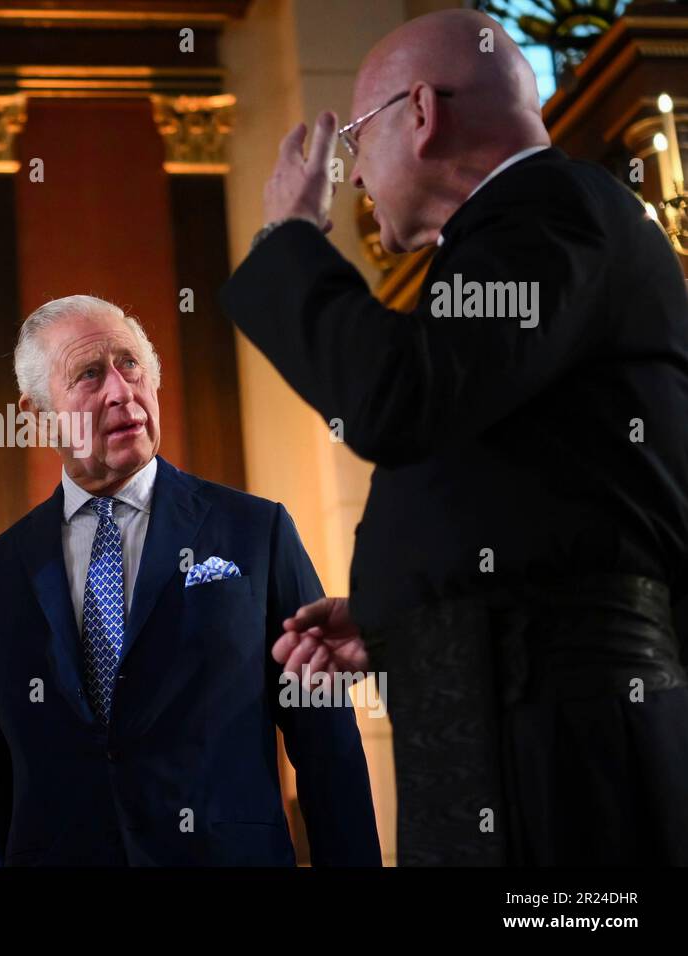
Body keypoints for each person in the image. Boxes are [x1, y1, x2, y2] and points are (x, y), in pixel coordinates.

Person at [220, 9, 688, 864]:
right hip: (511, 715)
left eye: (358, 138)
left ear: (424, 113)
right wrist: (401, 613)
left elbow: (399, 399)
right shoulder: (521, 234)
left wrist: (289, 238)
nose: (354, 173)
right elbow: (526, 487)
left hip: (562, 739)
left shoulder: (554, 208)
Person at [0, 295, 380, 866]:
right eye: (88, 374)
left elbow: (326, 742)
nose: (119, 390)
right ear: (35, 417)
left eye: (130, 364)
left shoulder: (256, 531)